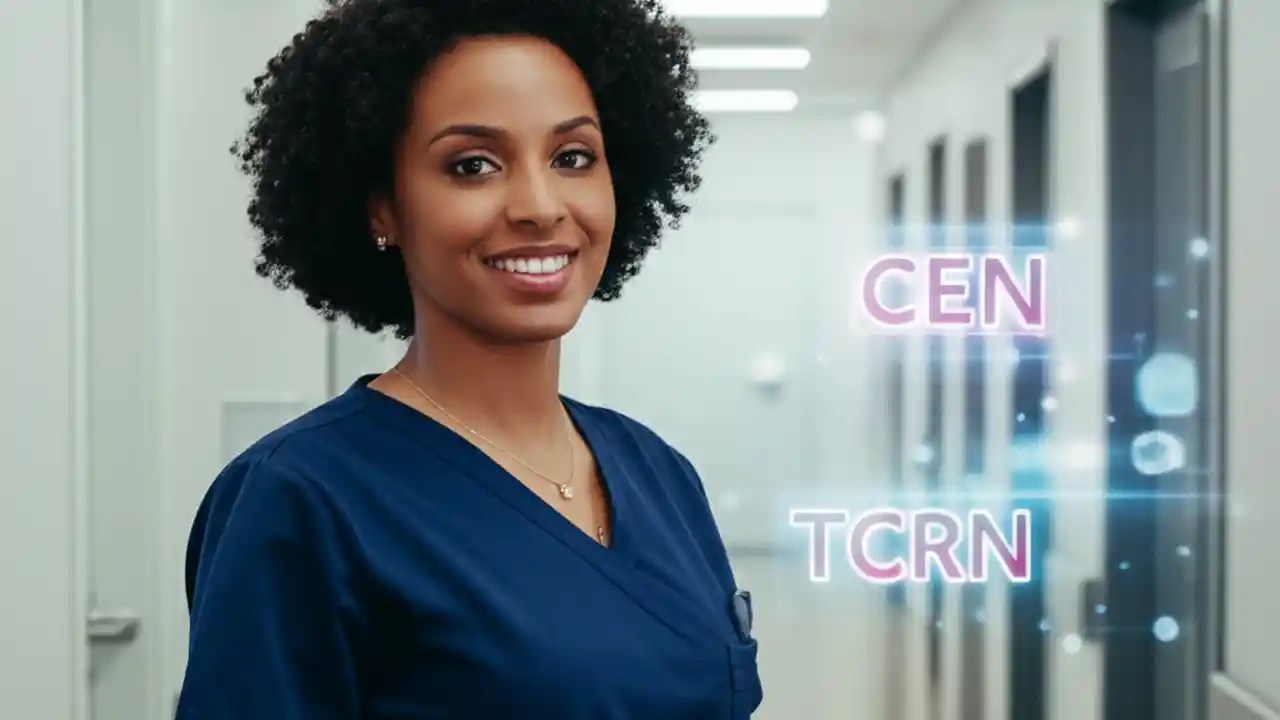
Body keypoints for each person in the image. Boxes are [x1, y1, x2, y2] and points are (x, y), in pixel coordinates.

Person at [175, 0, 763, 717]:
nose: (540, 206)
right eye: (473, 165)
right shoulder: (302, 498)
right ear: (382, 208)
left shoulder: (659, 473)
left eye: (572, 157)